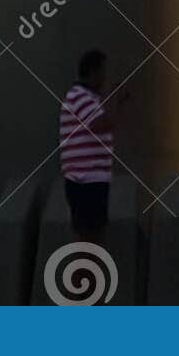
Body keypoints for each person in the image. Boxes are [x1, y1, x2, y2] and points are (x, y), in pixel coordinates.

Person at [59, 48, 119, 235]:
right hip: (85, 181)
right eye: (103, 72)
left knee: (93, 235)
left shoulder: (89, 98)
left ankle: (89, 264)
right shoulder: (79, 97)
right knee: (89, 237)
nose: (105, 78)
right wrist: (116, 98)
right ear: (93, 72)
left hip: (92, 179)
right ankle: (84, 265)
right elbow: (102, 124)